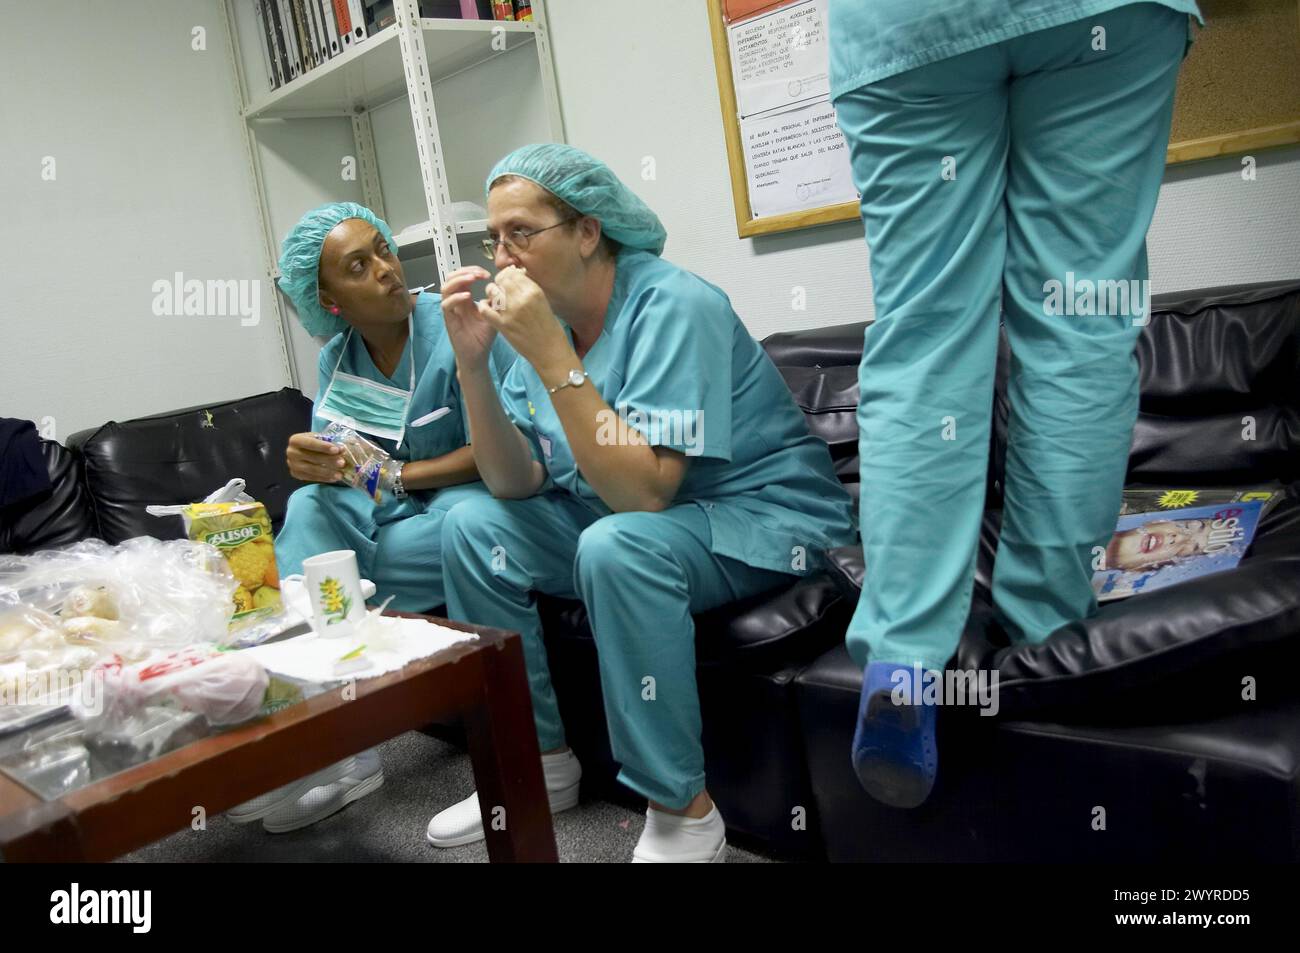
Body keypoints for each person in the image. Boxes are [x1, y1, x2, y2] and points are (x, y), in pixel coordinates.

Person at [425, 144, 855, 862]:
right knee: (470, 524)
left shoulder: (673, 305)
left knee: (617, 542)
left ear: (588, 231)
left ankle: (683, 811)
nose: (502, 255)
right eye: (493, 238)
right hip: (633, 517)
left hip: (758, 516)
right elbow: (513, 480)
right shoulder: (545, 325)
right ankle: (535, 764)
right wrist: (473, 366)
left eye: (521, 232)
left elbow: (647, 490)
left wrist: (554, 363)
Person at [828, 0, 1204, 809]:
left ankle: (902, 662)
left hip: (902, 28)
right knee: (1080, 324)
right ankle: (1047, 642)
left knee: (924, 334)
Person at [226, 202, 515, 833]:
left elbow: (505, 450)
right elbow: (349, 472)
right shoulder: (337, 360)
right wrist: (311, 461)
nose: (386, 269)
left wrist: (404, 476)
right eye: (359, 265)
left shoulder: (457, 324)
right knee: (307, 504)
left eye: (382, 250)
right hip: (392, 523)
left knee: (359, 568)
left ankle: (335, 739)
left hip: (468, 507)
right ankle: (316, 733)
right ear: (328, 300)